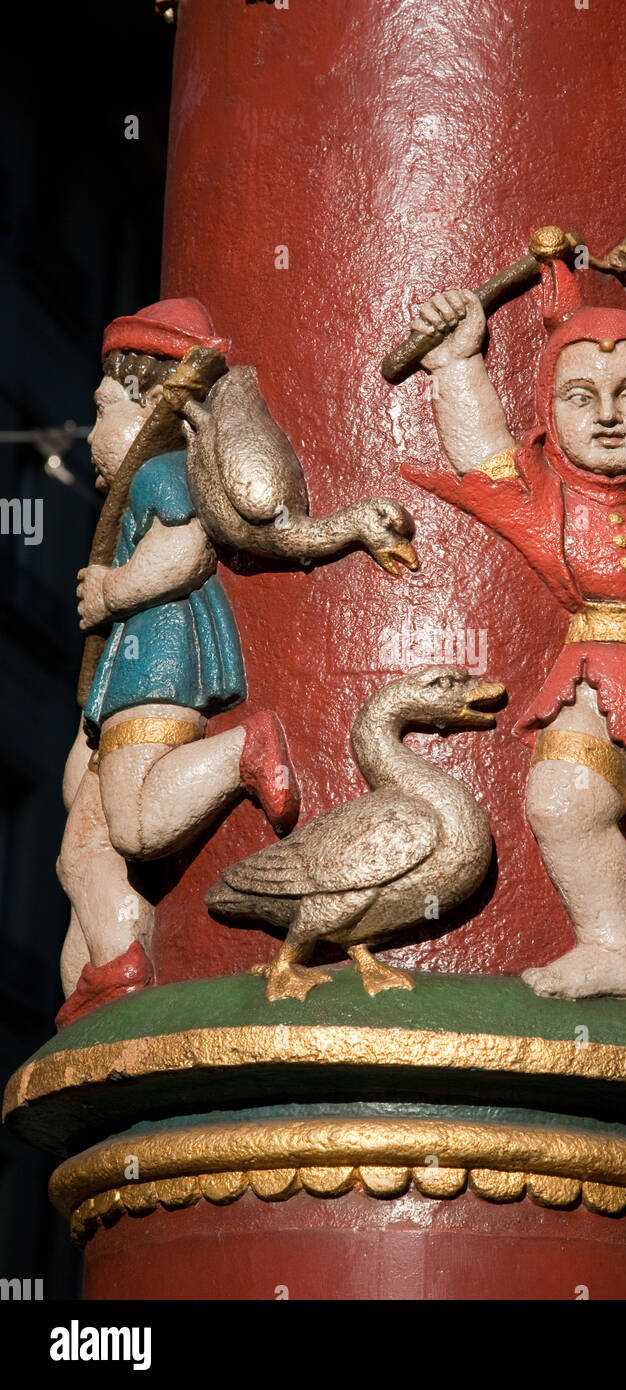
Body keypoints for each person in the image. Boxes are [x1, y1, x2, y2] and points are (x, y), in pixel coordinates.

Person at [402, 264, 626, 1001]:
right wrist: (457, 359)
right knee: (563, 804)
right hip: (590, 685)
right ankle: (612, 947)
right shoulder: (550, 502)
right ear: (550, 405)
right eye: (579, 397)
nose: (606, 416)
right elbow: (483, 452)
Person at [57, 299, 298, 1025]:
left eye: (104, 410)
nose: (93, 436)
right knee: (81, 849)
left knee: (132, 829)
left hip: (156, 662)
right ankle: (111, 968)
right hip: (125, 677)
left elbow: (185, 548)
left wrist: (110, 593)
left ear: (154, 403)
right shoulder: (137, 483)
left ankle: (243, 753)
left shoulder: (163, 468)